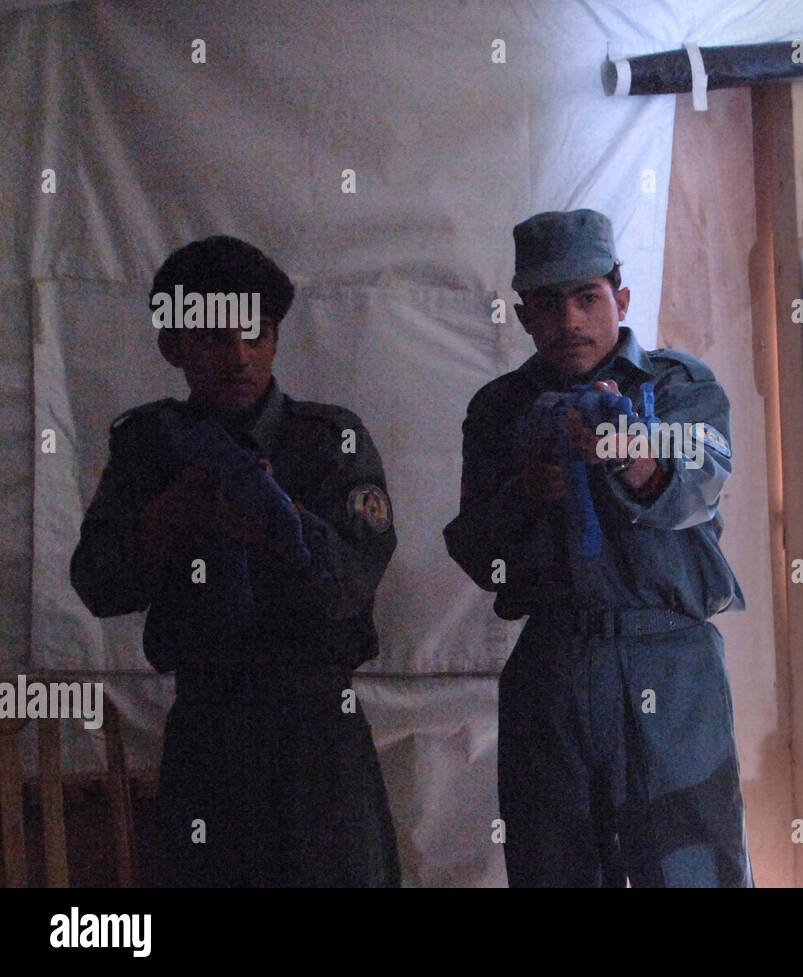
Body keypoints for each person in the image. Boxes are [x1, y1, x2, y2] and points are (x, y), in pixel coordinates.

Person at [70, 236, 400, 887]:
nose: (238, 357)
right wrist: (165, 520)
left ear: (276, 336)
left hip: (317, 730)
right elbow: (97, 583)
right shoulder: (149, 448)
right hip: (209, 728)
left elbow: (357, 581)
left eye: (255, 334)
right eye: (213, 339)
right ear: (174, 347)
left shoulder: (329, 442)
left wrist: (281, 521)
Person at [443, 208, 751, 887]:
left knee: (692, 860)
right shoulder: (500, 409)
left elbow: (700, 486)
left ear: (622, 297)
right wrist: (528, 490)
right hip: (553, 659)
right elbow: (476, 553)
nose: (571, 321)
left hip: (669, 661)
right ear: (524, 315)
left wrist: (627, 457)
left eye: (588, 298)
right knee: (556, 865)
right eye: (549, 305)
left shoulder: (678, 387)